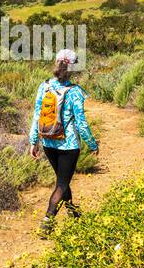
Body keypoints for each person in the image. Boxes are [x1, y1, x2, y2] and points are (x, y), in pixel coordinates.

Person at [28, 48, 98, 236]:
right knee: (62, 184)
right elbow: (81, 123)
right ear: (72, 68)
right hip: (69, 146)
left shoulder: (44, 86)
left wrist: (33, 140)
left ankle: (74, 214)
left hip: (48, 143)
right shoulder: (74, 91)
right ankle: (47, 221)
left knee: (62, 181)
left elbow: (36, 115)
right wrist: (92, 144)